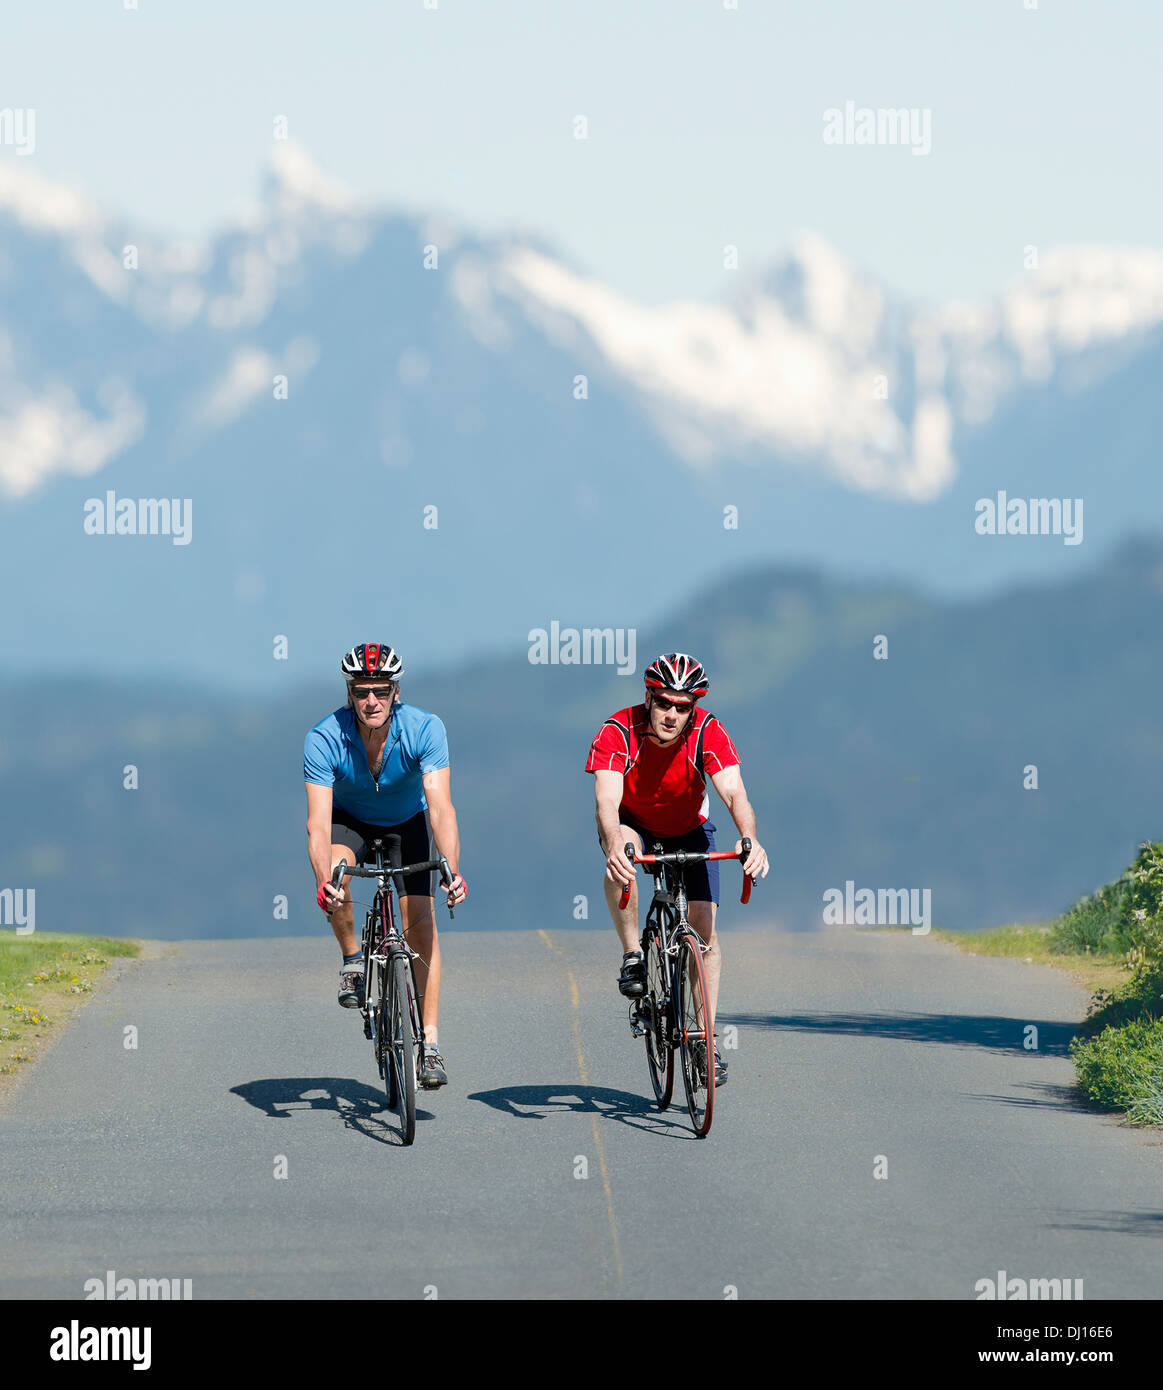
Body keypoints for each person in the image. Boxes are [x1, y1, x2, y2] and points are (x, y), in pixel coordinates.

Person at [585, 652, 769, 1085]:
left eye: (682, 707)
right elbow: (606, 802)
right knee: (623, 858)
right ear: (648, 698)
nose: (671, 715)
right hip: (632, 825)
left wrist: (750, 839)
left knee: (704, 930)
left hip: (689, 826)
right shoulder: (618, 731)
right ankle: (633, 954)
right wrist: (614, 841)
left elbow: (735, 793)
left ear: (693, 708)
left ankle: (704, 1040)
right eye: (664, 703)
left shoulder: (708, 731)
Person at [304, 642, 466, 1088]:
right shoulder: (324, 737)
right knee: (338, 871)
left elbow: (441, 809)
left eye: (380, 690)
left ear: (396, 691)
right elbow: (317, 825)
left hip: (407, 823)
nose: (370, 701)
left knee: (421, 921)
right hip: (350, 821)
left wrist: (450, 868)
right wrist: (324, 882)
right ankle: (353, 959)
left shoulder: (426, 729)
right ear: (349, 694)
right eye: (361, 692)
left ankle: (429, 1045)